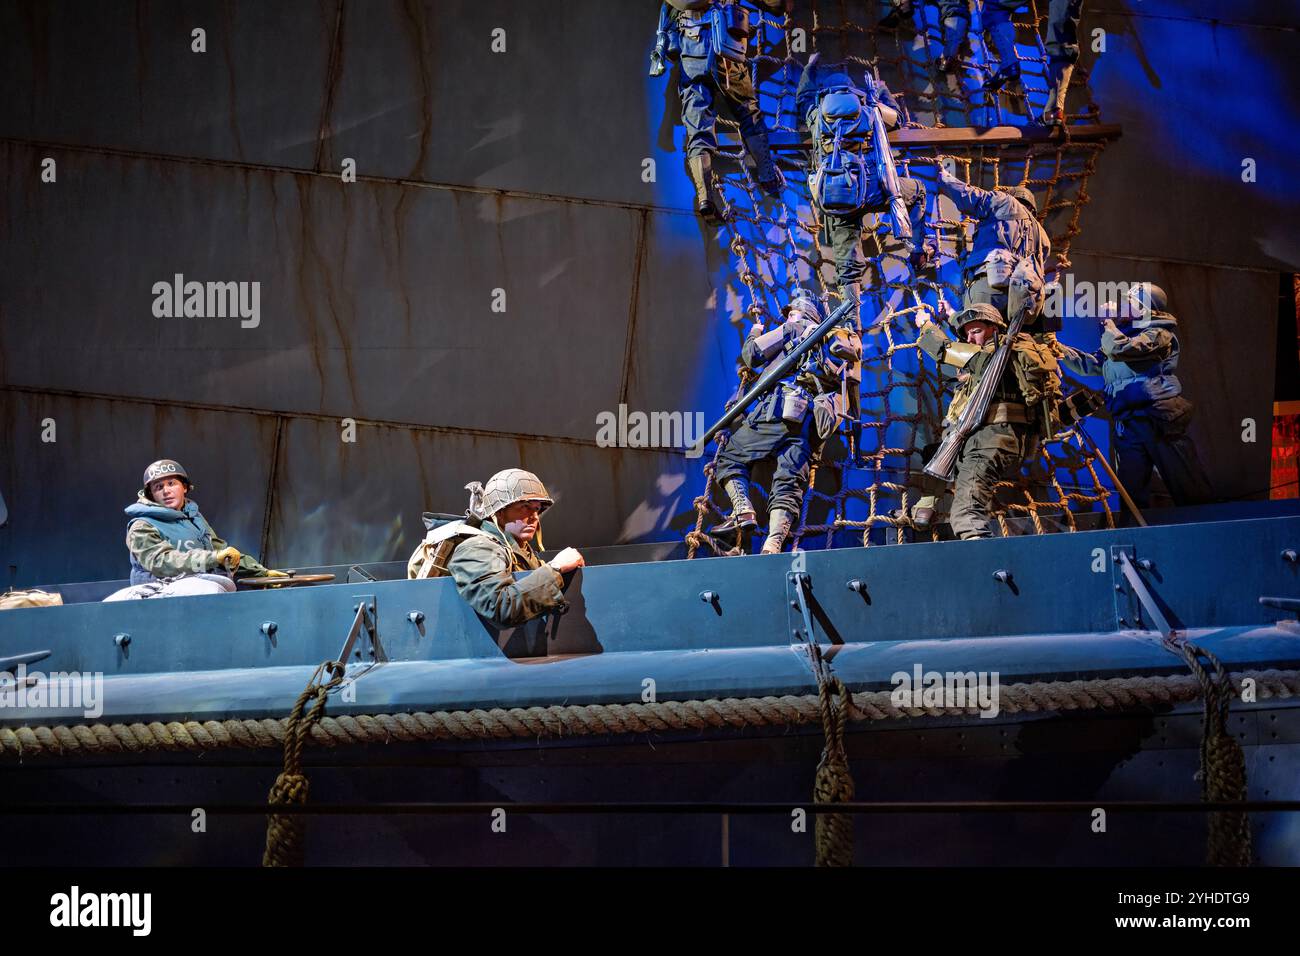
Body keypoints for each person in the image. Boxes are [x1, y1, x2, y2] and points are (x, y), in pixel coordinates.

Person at [712, 290, 861, 553]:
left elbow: (752, 355)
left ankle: (744, 512)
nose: (789, 316)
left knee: (730, 457)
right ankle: (773, 543)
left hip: (778, 410)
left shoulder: (795, 327)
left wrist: (755, 332)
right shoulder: (833, 340)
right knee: (788, 480)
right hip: (811, 424)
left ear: (800, 313)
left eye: (792, 312)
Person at [1054, 283, 1213, 508]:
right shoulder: (1120, 337)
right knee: (1131, 490)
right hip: (1128, 421)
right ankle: (1133, 531)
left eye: (1129, 302)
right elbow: (1091, 364)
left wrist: (1108, 323)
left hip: (1156, 416)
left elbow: (1122, 350)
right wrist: (1058, 349)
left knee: (1184, 480)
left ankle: (1204, 524)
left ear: (1144, 308)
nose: (1122, 305)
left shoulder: (1158, 334)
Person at [911, 302, 1062, 538]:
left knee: (967, 512)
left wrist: (925, 325)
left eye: (976, 331)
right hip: (996, 440)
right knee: (936, 454)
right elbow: (970, 343)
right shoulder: (1017, 352)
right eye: (968, 333)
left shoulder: (995, 356)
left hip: (989, 441)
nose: (970, 338)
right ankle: (924, 509)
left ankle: (982, 560)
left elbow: (943, 349)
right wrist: (953, 317)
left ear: (995, 330)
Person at [796, 55, 932, 314]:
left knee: (847, 266)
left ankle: (851, 327)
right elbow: (898, 120)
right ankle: (916, 249)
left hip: (837, 193)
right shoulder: (869, 111)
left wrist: (808, 71)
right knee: (917, 191)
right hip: (871, 186)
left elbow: (802, 98)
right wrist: (881, 89)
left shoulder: (816, 114)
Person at [650, 0, 786, 221]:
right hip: (725, 47)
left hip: (691, 50)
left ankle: (705, 196)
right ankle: (767, 176)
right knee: (748, 111)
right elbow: (777, 4)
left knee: (697, 126)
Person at [103, 459, 286, 601]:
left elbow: (219, 551)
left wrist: (261, 572)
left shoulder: (194, 519)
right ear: (151, 495)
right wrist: (212, 559)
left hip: (192, 588)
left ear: (184, 487)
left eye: (171, 483)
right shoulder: (141, 526)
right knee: (211, 591)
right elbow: (162, 562)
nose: (166, 491)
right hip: (158, 594)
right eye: (158, 487)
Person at [426, 469, 584, 627]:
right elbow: (499, 607)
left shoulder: (518, 550)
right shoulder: (476, 548)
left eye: (537, 509)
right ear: (499, 512)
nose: (534, 516)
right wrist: (555, 568)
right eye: (525, 507)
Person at [936, 160, 1050, 321]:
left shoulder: (1005, 202)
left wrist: (944, 177)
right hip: (1024, 300)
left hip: (992, 286)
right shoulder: (1042, 235)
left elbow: (970, 197)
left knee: (980, 339)